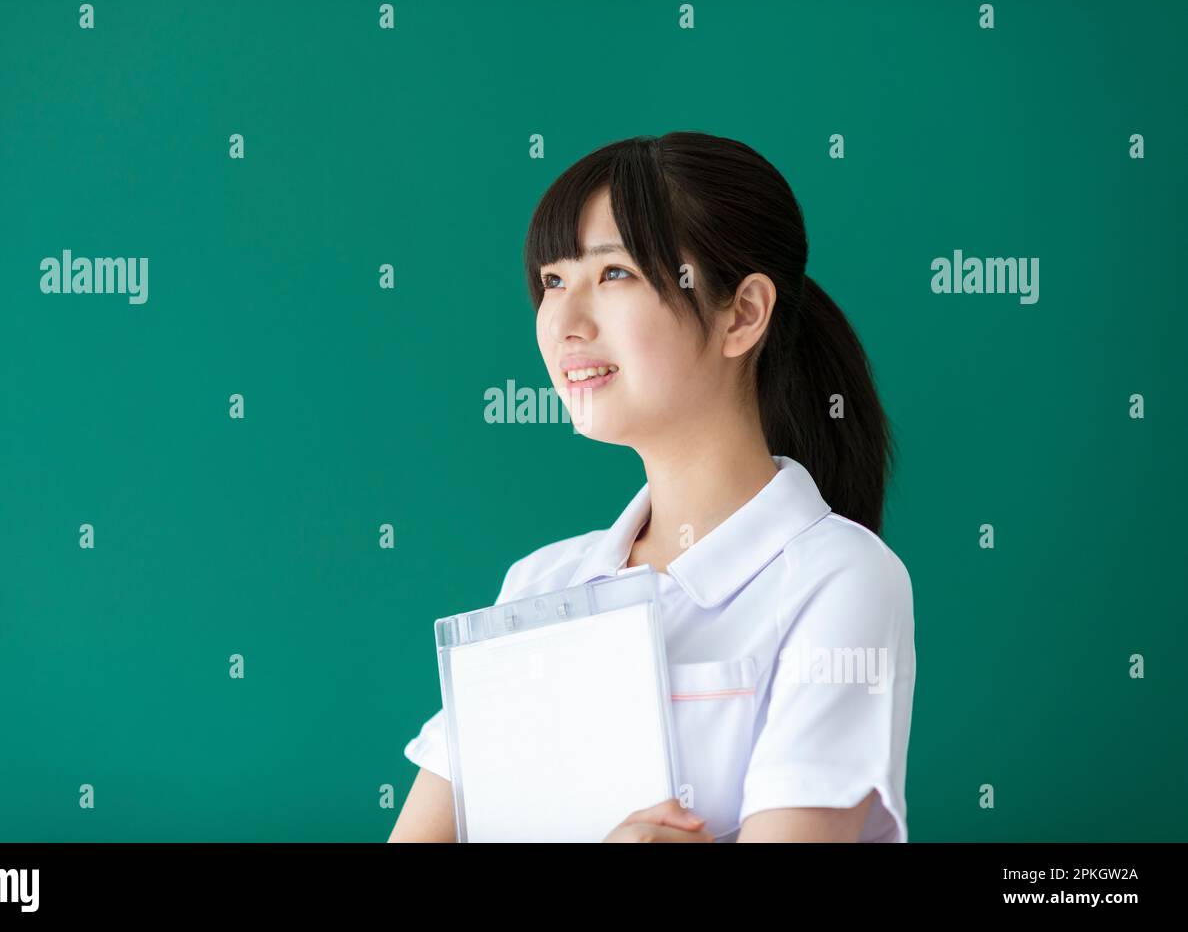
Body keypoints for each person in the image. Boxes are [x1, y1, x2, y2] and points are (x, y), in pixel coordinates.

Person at [389, 132, 916, 842]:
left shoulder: (839, 579)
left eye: (613, 275)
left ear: (743, 313)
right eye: (552, 281)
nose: (566, 323)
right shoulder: (538, 584)